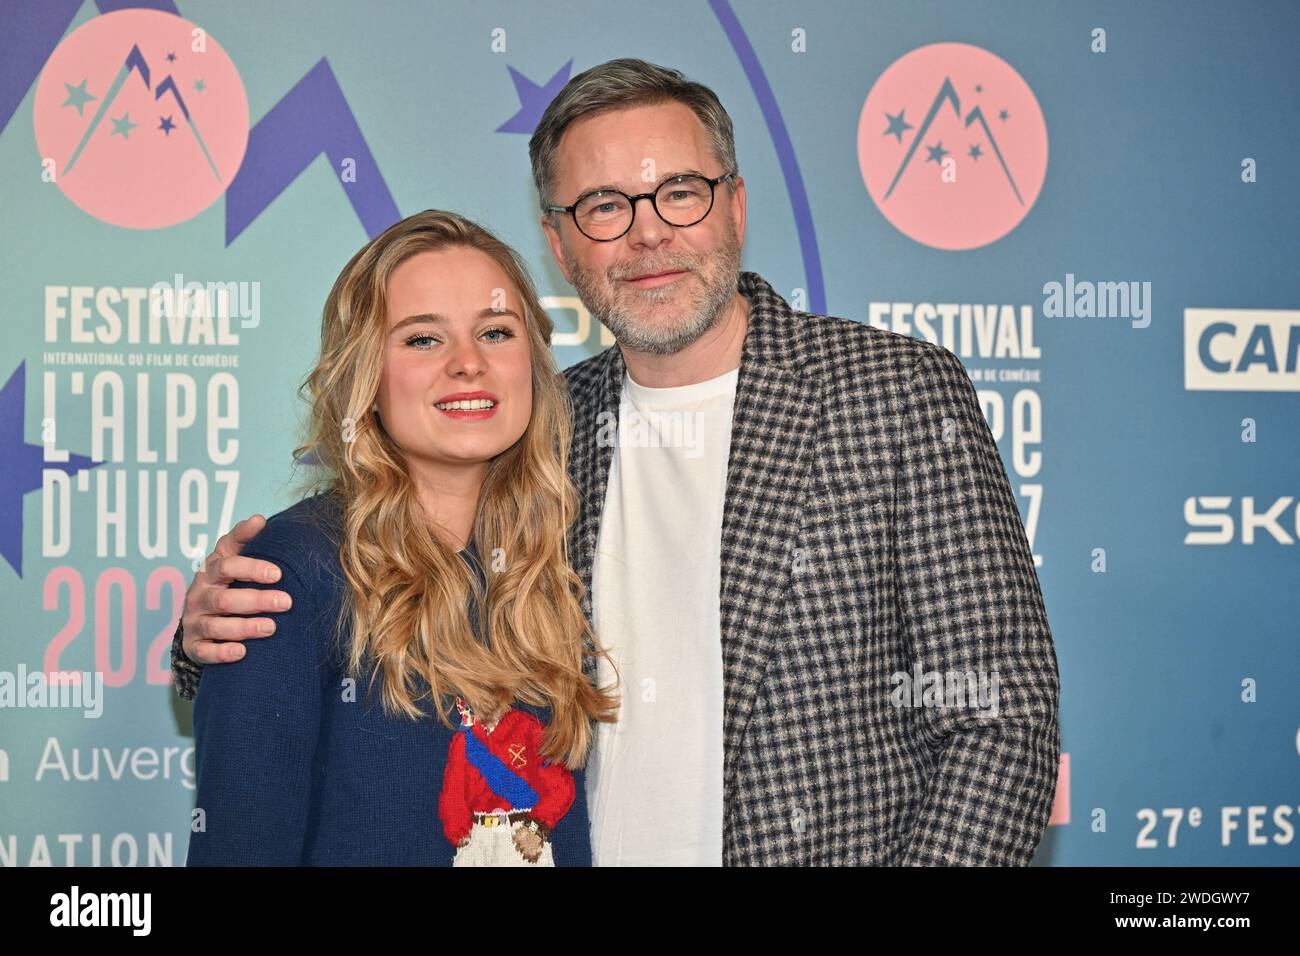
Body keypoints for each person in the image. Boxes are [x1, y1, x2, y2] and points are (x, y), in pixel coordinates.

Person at [174, 59, 1061, 866]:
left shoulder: (891, 394)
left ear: (736, 206)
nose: (647, 235)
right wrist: (209, 643)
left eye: (681, 192)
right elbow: (387, 595)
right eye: (604, 206)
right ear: (560, 244)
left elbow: (998, 719)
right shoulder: (543, 431)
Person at [186, 209, 618, 866]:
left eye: (496, 332)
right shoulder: (289, 573)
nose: (469, 364)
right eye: (423, 340)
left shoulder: (555, 560)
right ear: (366, 376)